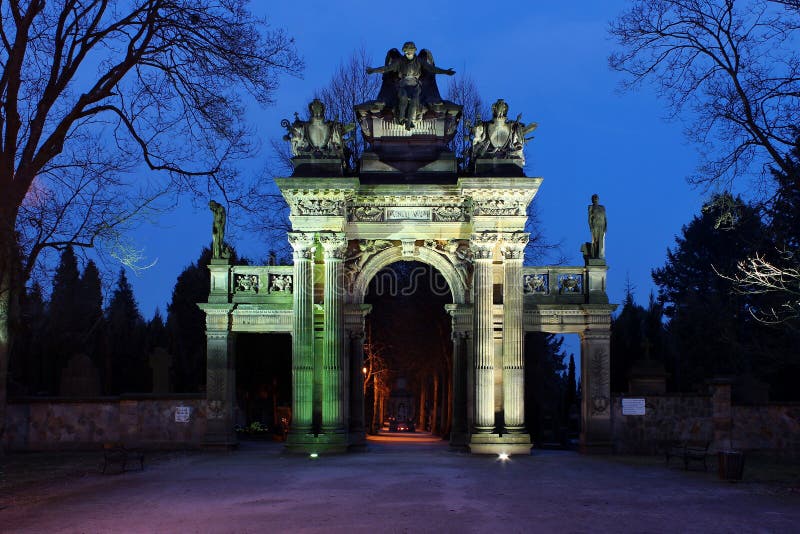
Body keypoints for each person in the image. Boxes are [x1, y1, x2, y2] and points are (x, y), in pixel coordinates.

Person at [366, 41, 455, 129]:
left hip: (415, 85)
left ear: (414, 51)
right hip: (403, 85)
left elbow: (432, 69)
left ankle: (410, 120)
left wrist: (445, 72)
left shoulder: (419, 61)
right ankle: (401, 118)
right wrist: (374, 70)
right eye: (407, 51)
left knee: (414, 100)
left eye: (410, 51)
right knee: (403, 99)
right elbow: (387, 68)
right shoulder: (400, 61)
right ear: (404, 51)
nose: (408, 53)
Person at [588, 194, 607, 259]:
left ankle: (599, 255)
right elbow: (589, 218)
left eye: (596, 198)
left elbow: (605, 217)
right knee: (595, 240)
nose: (595, 199)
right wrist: (591, 227)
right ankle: (595, 255)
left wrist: (606, 226)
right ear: (592, 200)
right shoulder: (591, 207)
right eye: (594, 198)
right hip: (595, 225)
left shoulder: (602, 207)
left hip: (602, 225)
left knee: (601, 241)